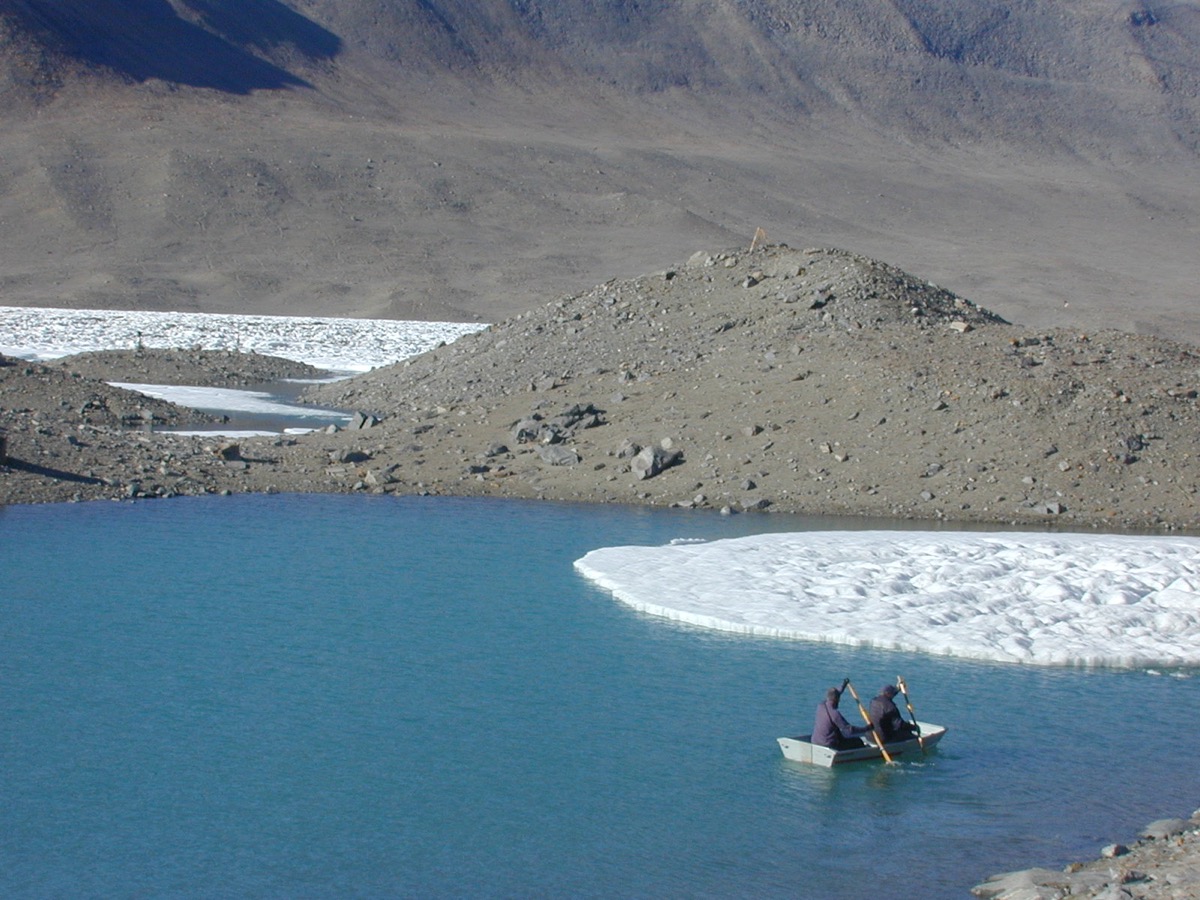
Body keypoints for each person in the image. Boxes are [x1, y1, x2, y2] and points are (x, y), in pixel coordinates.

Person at [812, 680, 870, 750]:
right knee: (858, 741)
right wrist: (866, 729)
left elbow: (836, 694)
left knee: (839, 733)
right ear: (837, 700)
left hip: (815, 741)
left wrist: (843, 685)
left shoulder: (821, 706)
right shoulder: (835, 714)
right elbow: (849, 730)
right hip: (829, 745)